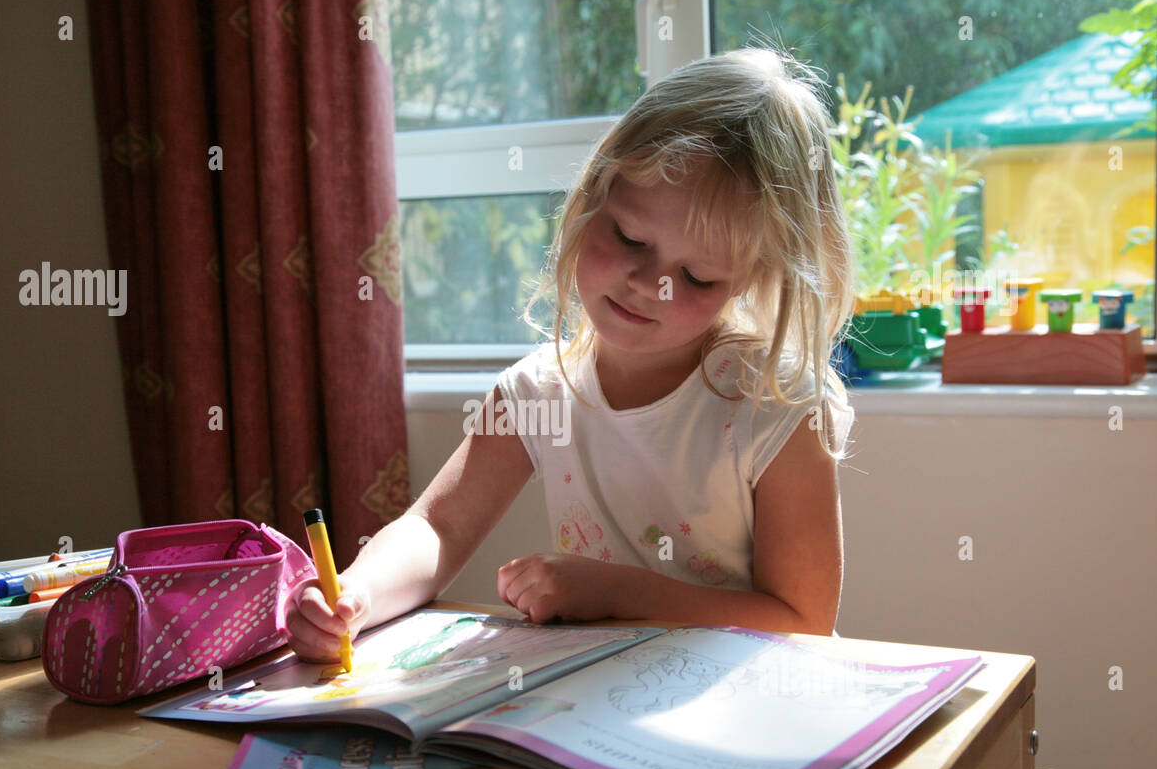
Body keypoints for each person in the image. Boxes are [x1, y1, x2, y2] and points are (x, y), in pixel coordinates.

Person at [284, 46, 857, 663]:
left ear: (748, 279)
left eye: (696, 276)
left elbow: (803, 621)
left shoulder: (778, 406)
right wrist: (356, 596)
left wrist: (616, 591)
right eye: (631, 238)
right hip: (589, 708)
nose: (649, 283)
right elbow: (437, 529)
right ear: (591, 200)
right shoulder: (539, 395)